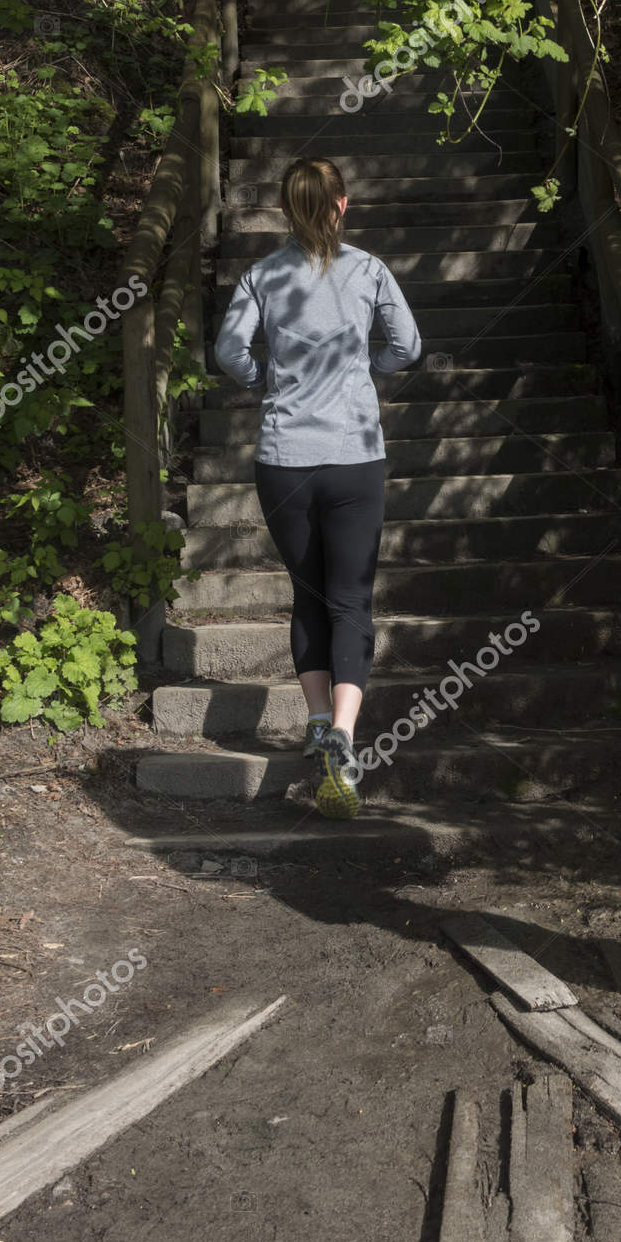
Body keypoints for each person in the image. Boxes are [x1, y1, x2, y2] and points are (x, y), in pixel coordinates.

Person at [214, 158, 422, 819]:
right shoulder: (368, 270)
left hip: (284, 459)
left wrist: (260, 381)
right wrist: (369, 369)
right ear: (343, 203)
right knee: (351, 600)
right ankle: (345, 735)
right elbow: (408, 345)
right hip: (355, 457)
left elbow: (228, 352)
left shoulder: (262, 274)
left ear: (286, 208)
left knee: (308, 593)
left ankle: (312, 716)